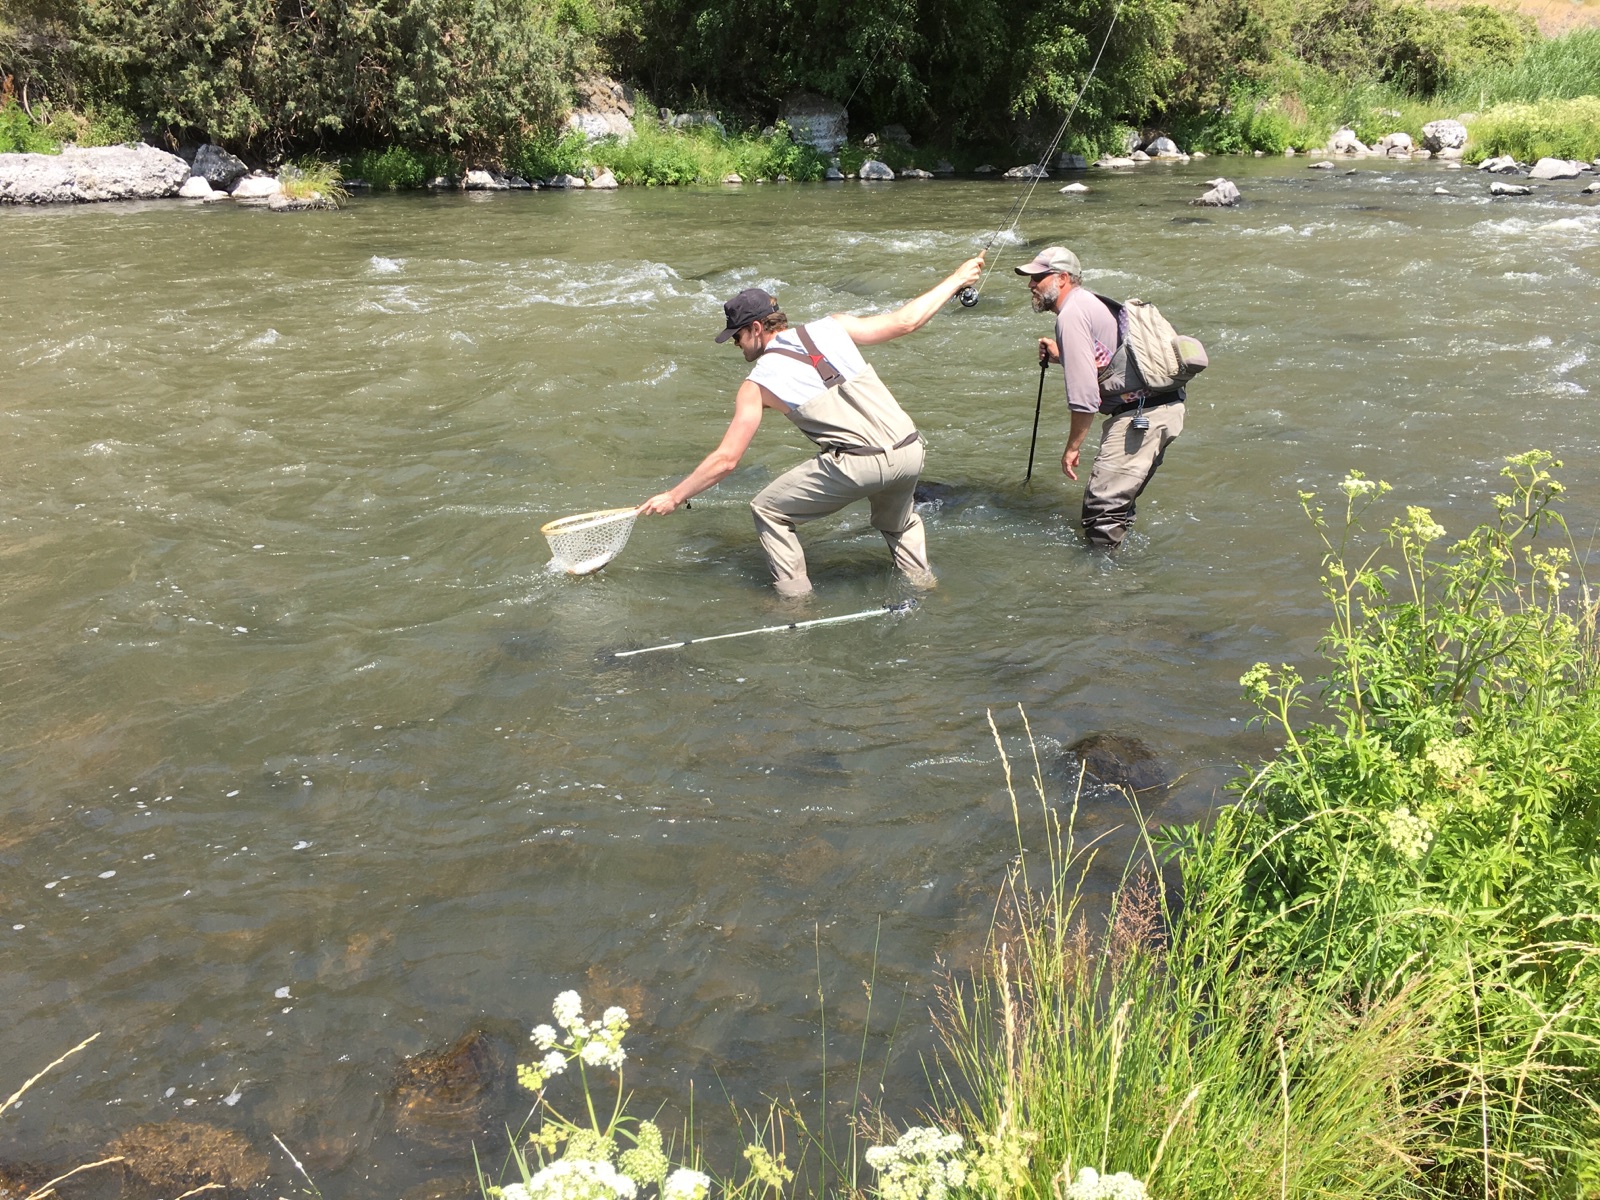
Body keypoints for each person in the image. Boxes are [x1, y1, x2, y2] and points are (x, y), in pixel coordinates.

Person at [638, 256, 985, 596]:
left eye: (737, 336)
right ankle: (926, 588)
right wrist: (956, 279)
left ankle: (795, 602)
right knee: (900, 521)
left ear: (756, 329)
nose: (735, 344)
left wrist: (674, 496)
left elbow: (727, 459)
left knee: (768, 509)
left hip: (860, 464)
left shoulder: (756, 385)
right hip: (911, 450)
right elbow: (906, 321)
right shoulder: (834, 325)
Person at [1017, 246, 1185, 553]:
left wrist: (1072, 448)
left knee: (1101, 511)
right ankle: (1123, 566)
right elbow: (1107, 361)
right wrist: (1061, 356)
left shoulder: (1070, 315)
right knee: (1119, 507)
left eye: (1038, 277)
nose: (1031, 285)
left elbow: (1085, 398)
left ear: (1063, 278)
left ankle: (1101, 588)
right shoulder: (1088, 302)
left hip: (1139, 418)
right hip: (1164, 409)